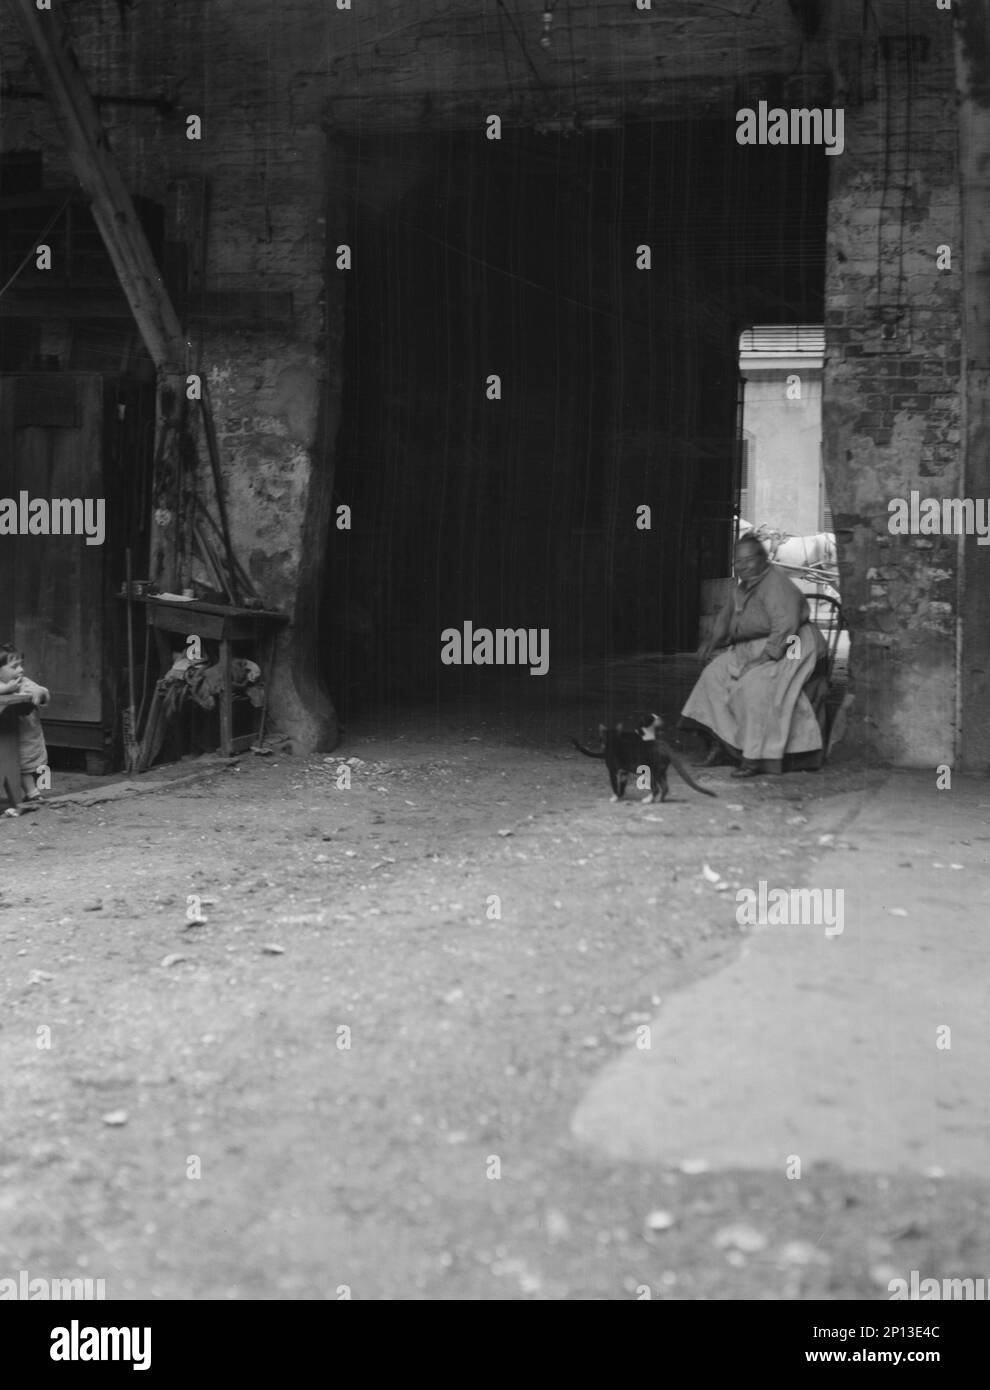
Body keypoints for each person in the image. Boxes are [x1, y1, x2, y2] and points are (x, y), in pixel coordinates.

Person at [678, 534, 827, 778]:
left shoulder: (776, 583)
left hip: (793, 643)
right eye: (738, 561)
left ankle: (756, 757)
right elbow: (726, 618)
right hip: (753, 644)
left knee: (756, 684)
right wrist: (713, 640)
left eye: (749, 559)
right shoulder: (742, 587)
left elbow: (787, 625)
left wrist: (765, 658)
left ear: (763, 559)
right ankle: (722, 747)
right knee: (713, 675)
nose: (743, 566)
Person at [0, 643, 50, 801]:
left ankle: (41, 791)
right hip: (12, 739)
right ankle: (32, 794)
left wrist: (39, 692)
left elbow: (42, 691)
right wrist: (5, 690)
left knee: (40, 764)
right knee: (21, 767)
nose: (21, 670)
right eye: (15, 666)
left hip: (31, 734)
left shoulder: (23, 682)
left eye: (21, 665)